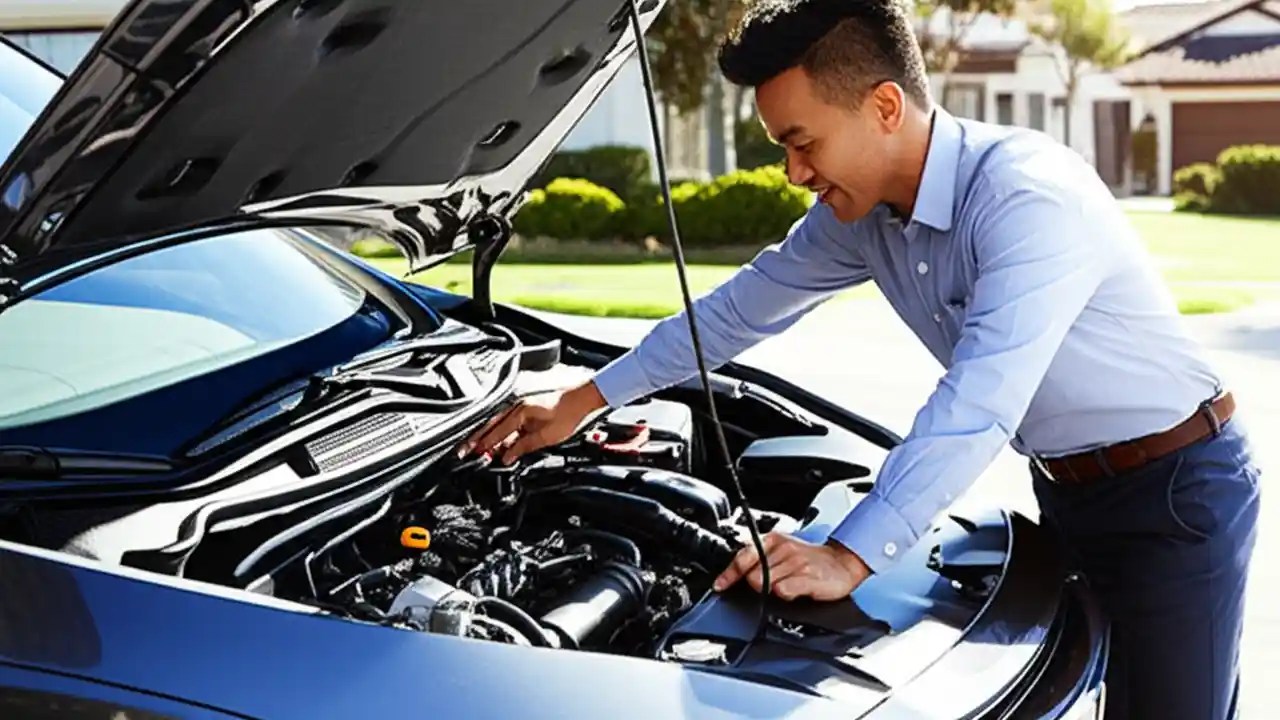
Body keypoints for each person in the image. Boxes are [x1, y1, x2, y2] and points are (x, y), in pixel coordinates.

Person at [459, 1, 1260, 717]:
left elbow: (981, 398)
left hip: (1177, 494)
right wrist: (585, 399)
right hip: (1071, 488)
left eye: (802, 142)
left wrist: (850, 554)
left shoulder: (1026, 196)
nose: (793, 172)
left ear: (884, 106)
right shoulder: (861, 215)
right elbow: (736, 312)